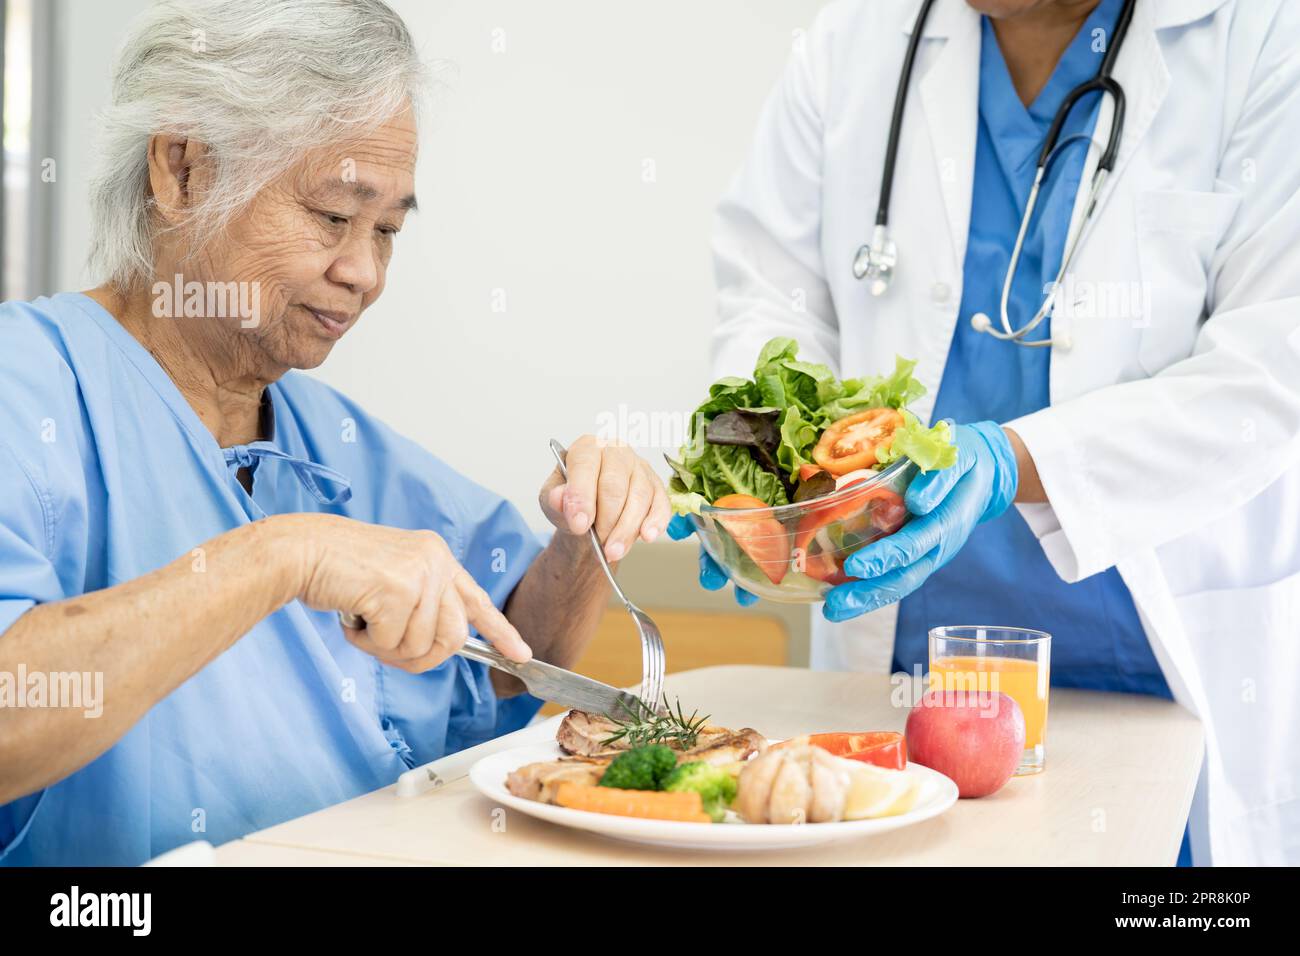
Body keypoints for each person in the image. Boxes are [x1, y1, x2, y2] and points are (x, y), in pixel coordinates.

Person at [0, 0, 670, 866]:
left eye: (387, 231)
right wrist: (283, 557)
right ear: (182, 171)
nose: (363, 273)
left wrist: (584, 534)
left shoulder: (333, 441)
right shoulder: (28, 383)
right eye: (331, 217)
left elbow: (510, 661)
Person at [671, 0, 1300, 865]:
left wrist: (1008, 461)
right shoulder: (858, 37)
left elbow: (1272, 370)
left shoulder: (1261, 34)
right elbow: (766, 289)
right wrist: (762, 480)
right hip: (900, 682)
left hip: (1165, 680)